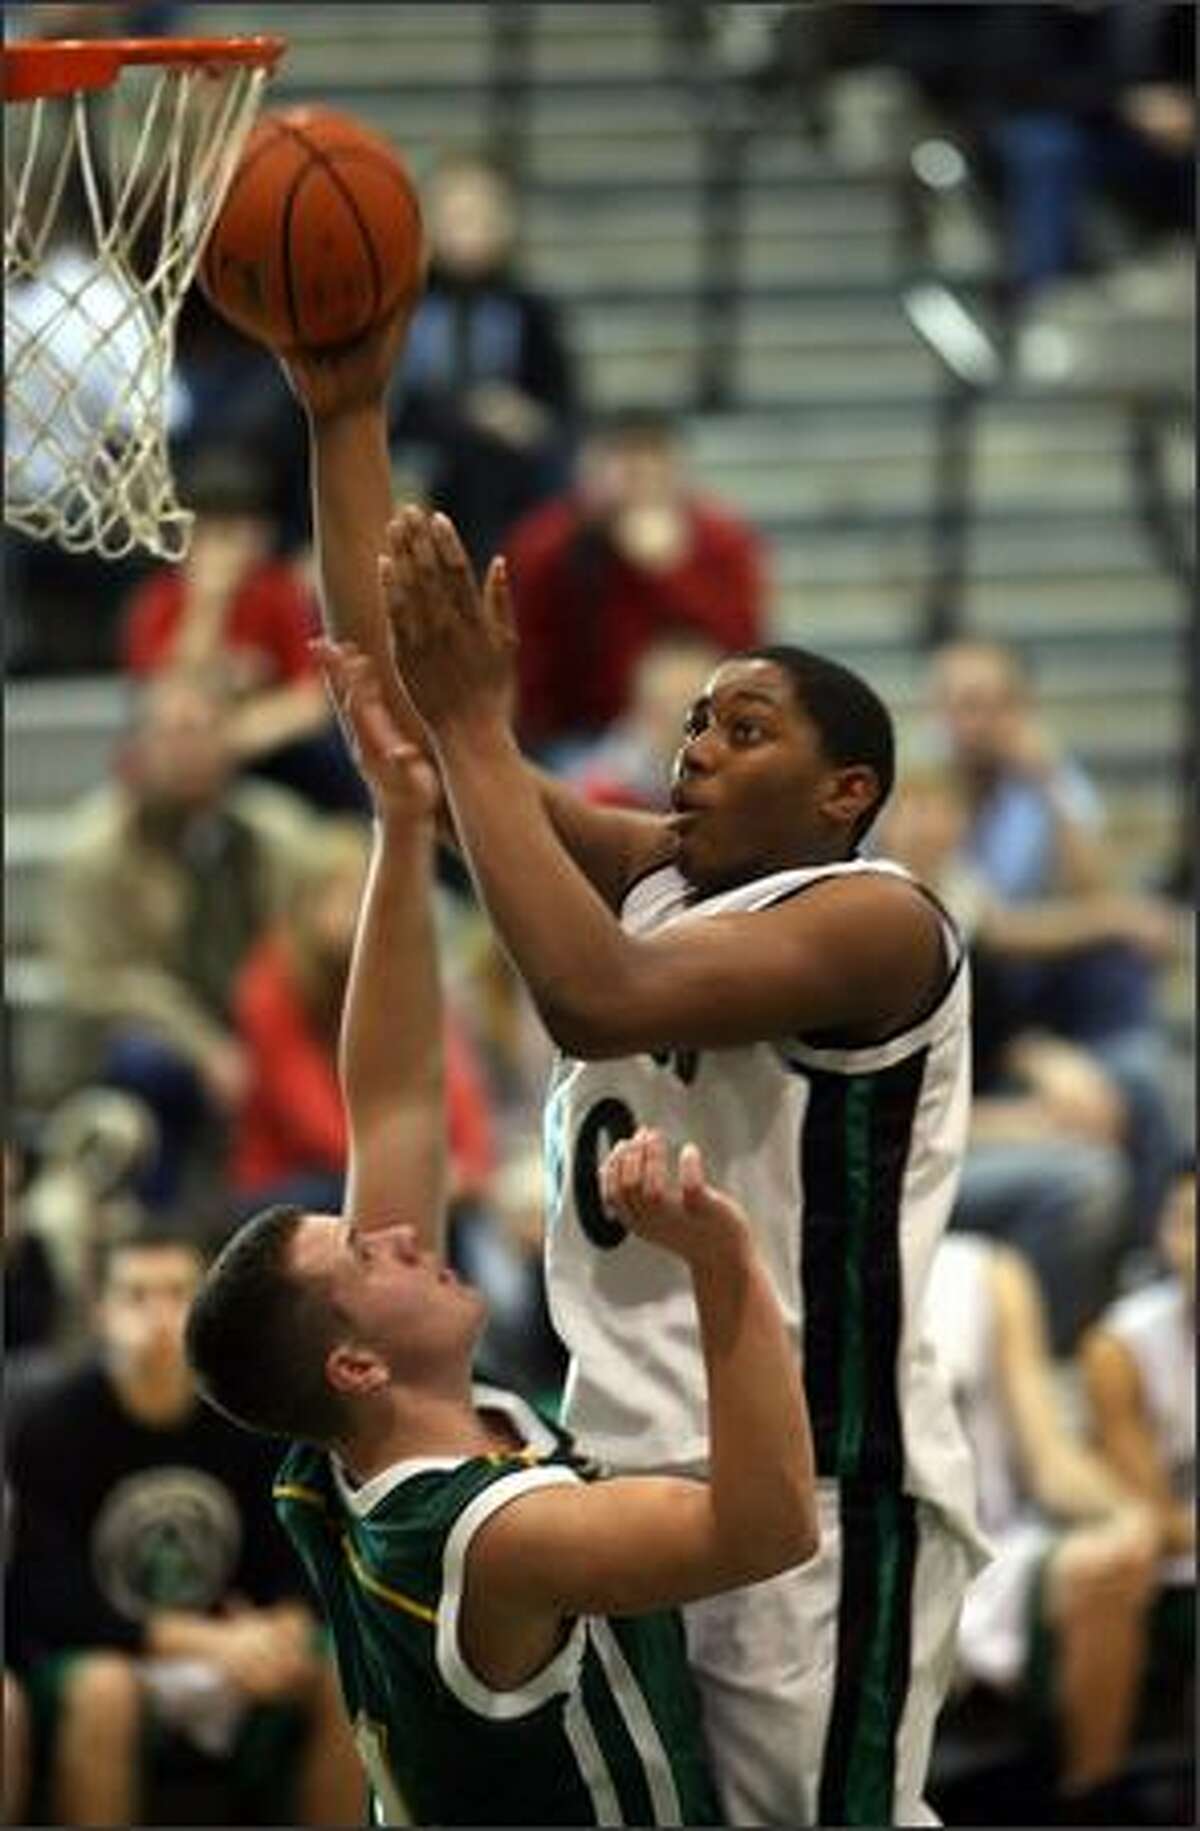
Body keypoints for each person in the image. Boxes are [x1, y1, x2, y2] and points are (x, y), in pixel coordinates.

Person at [274, 308, 982, 1826]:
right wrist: (346, 418)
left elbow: (594, 1000)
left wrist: (473, 731)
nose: (697, 746)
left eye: (746, 725)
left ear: (846, 787)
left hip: (824, 1484)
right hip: (632, 1450)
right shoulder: (653, 869)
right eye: (690, 720)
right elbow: (405, 715)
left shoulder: (877, 921)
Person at [185, 637, 820, 1827]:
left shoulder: (356, 1447)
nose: (392, 1235)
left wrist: (399, 827)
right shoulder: (490, 1536)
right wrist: (727, 1269)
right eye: (362, 1255)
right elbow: (768, 1524)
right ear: (358, 1361)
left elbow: (396, 1096)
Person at [4, 1223, 360, 1827]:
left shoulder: (250, 1415)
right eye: (136, 1296)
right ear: (101, 1313)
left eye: (176, 1295)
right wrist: (204, 1643)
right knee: (104, 1693)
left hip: (234, 1642)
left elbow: (300, 1548)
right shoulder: (54, 1427)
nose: (159, 1316)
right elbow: (49, 1597)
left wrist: (284, 1626)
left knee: (337, 1666)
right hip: (113, 1651)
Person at [49, 666, 318, 1211]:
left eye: (203, 730)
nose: (188, 749)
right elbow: (96, 984)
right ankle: (157, 1230)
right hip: (155, 1044)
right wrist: (205, 1048)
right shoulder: (95, 854)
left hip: (264, 1026)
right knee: (146, 1061)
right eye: (172, 733)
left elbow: (308, 947)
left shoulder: (276, 835)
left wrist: (267, 1036)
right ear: (139, 748)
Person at [924, 1231, 1159, 1805]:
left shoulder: (988, 1272)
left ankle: (1088, 1801)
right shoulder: (797, 1256)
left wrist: (1127, 1513)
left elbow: (1048, 1454)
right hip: (841, 1545)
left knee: (1112, 1560)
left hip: (982, 1545)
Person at [230, 814, 496, 1219]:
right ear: (301, 904)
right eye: (337, 896)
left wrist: (470, 1167)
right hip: (293, 1182)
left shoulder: (399, 970)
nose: (352, 913)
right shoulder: (269, 982)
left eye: (363, 896)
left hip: (388, 1166)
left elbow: (451, 1074)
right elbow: (305, 1113)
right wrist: (415, 1174)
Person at [506, 406, 769, 762]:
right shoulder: (549, 544)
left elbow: (740, 647)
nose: (640, 488)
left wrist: (665, 570)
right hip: (582, 735)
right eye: (627, 472)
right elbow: (528, 664)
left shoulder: (722, 542)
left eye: (653, 471)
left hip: (700, 730)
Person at [119, 447, 366, 815]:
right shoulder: (161, 600)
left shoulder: (278, 593)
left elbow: (311, 702)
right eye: (212, 533)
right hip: (180, 756)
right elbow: (165, 694)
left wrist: (228, 739)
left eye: (236, 532)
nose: (226, 549)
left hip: (265, 758)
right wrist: (208, 603)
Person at [388, 148, 579, 573]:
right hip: (422, 469)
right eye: (454, 215)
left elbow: (563, 411)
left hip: (509, 483)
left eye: (480, 215)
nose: (467, 231)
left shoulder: (531, 311)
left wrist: (526, 420)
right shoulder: (399, 304)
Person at [1078, 1163, 1195, 1753]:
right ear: (1165, 1236)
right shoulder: (1120, 1347)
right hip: (1168, 1577)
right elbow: (1160, 1520)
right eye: (1190, 1224)